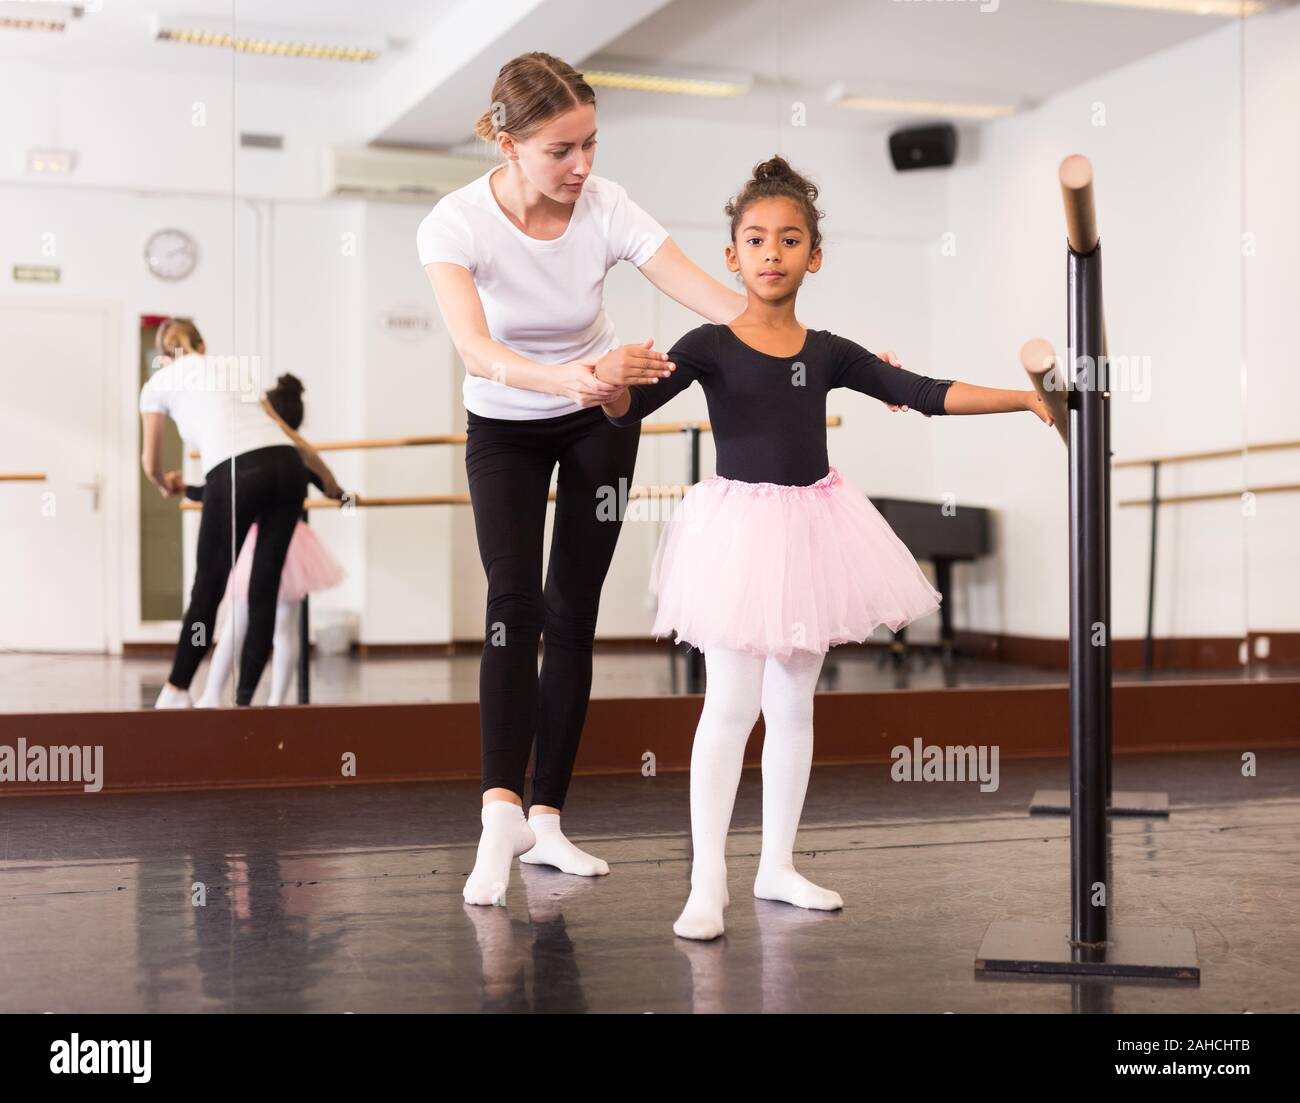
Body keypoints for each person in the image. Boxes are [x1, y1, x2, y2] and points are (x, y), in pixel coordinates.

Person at [601, 155, 1055, 940]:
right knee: (731, 703)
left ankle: (776, 865)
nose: (771, 252)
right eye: (755, 239)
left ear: (814, 255)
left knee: (793, 704)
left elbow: (924, 393)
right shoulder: (709, 343)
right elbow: (628, 408)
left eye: (788, 239)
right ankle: (707, 877)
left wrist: (1023, 397)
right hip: (739, 534)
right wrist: (611, 382)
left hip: (815, 528)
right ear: (732, 256)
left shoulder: (829, 351)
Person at [139, 319, 343, 708]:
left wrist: (165, 484)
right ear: (202, 343)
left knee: (209, 588)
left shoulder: (156, 385)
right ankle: (245, 703)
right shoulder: (232, 368)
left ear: (163, 356)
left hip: (235, 475)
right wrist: (332, 484)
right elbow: (290, 437)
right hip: (286, 470)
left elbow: (150, 463)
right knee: (262, 591)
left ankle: (177, 690)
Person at [191, 374, 346, 707]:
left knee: (237, 622)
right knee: (284, 630)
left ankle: (211, 695)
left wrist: (186, 491)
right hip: (293, 545)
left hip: (255, 545)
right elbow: (331, 489)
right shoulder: (295, 454)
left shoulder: (257, 448)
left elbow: (214, 492)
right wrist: (349, 499)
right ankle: (276, 701)